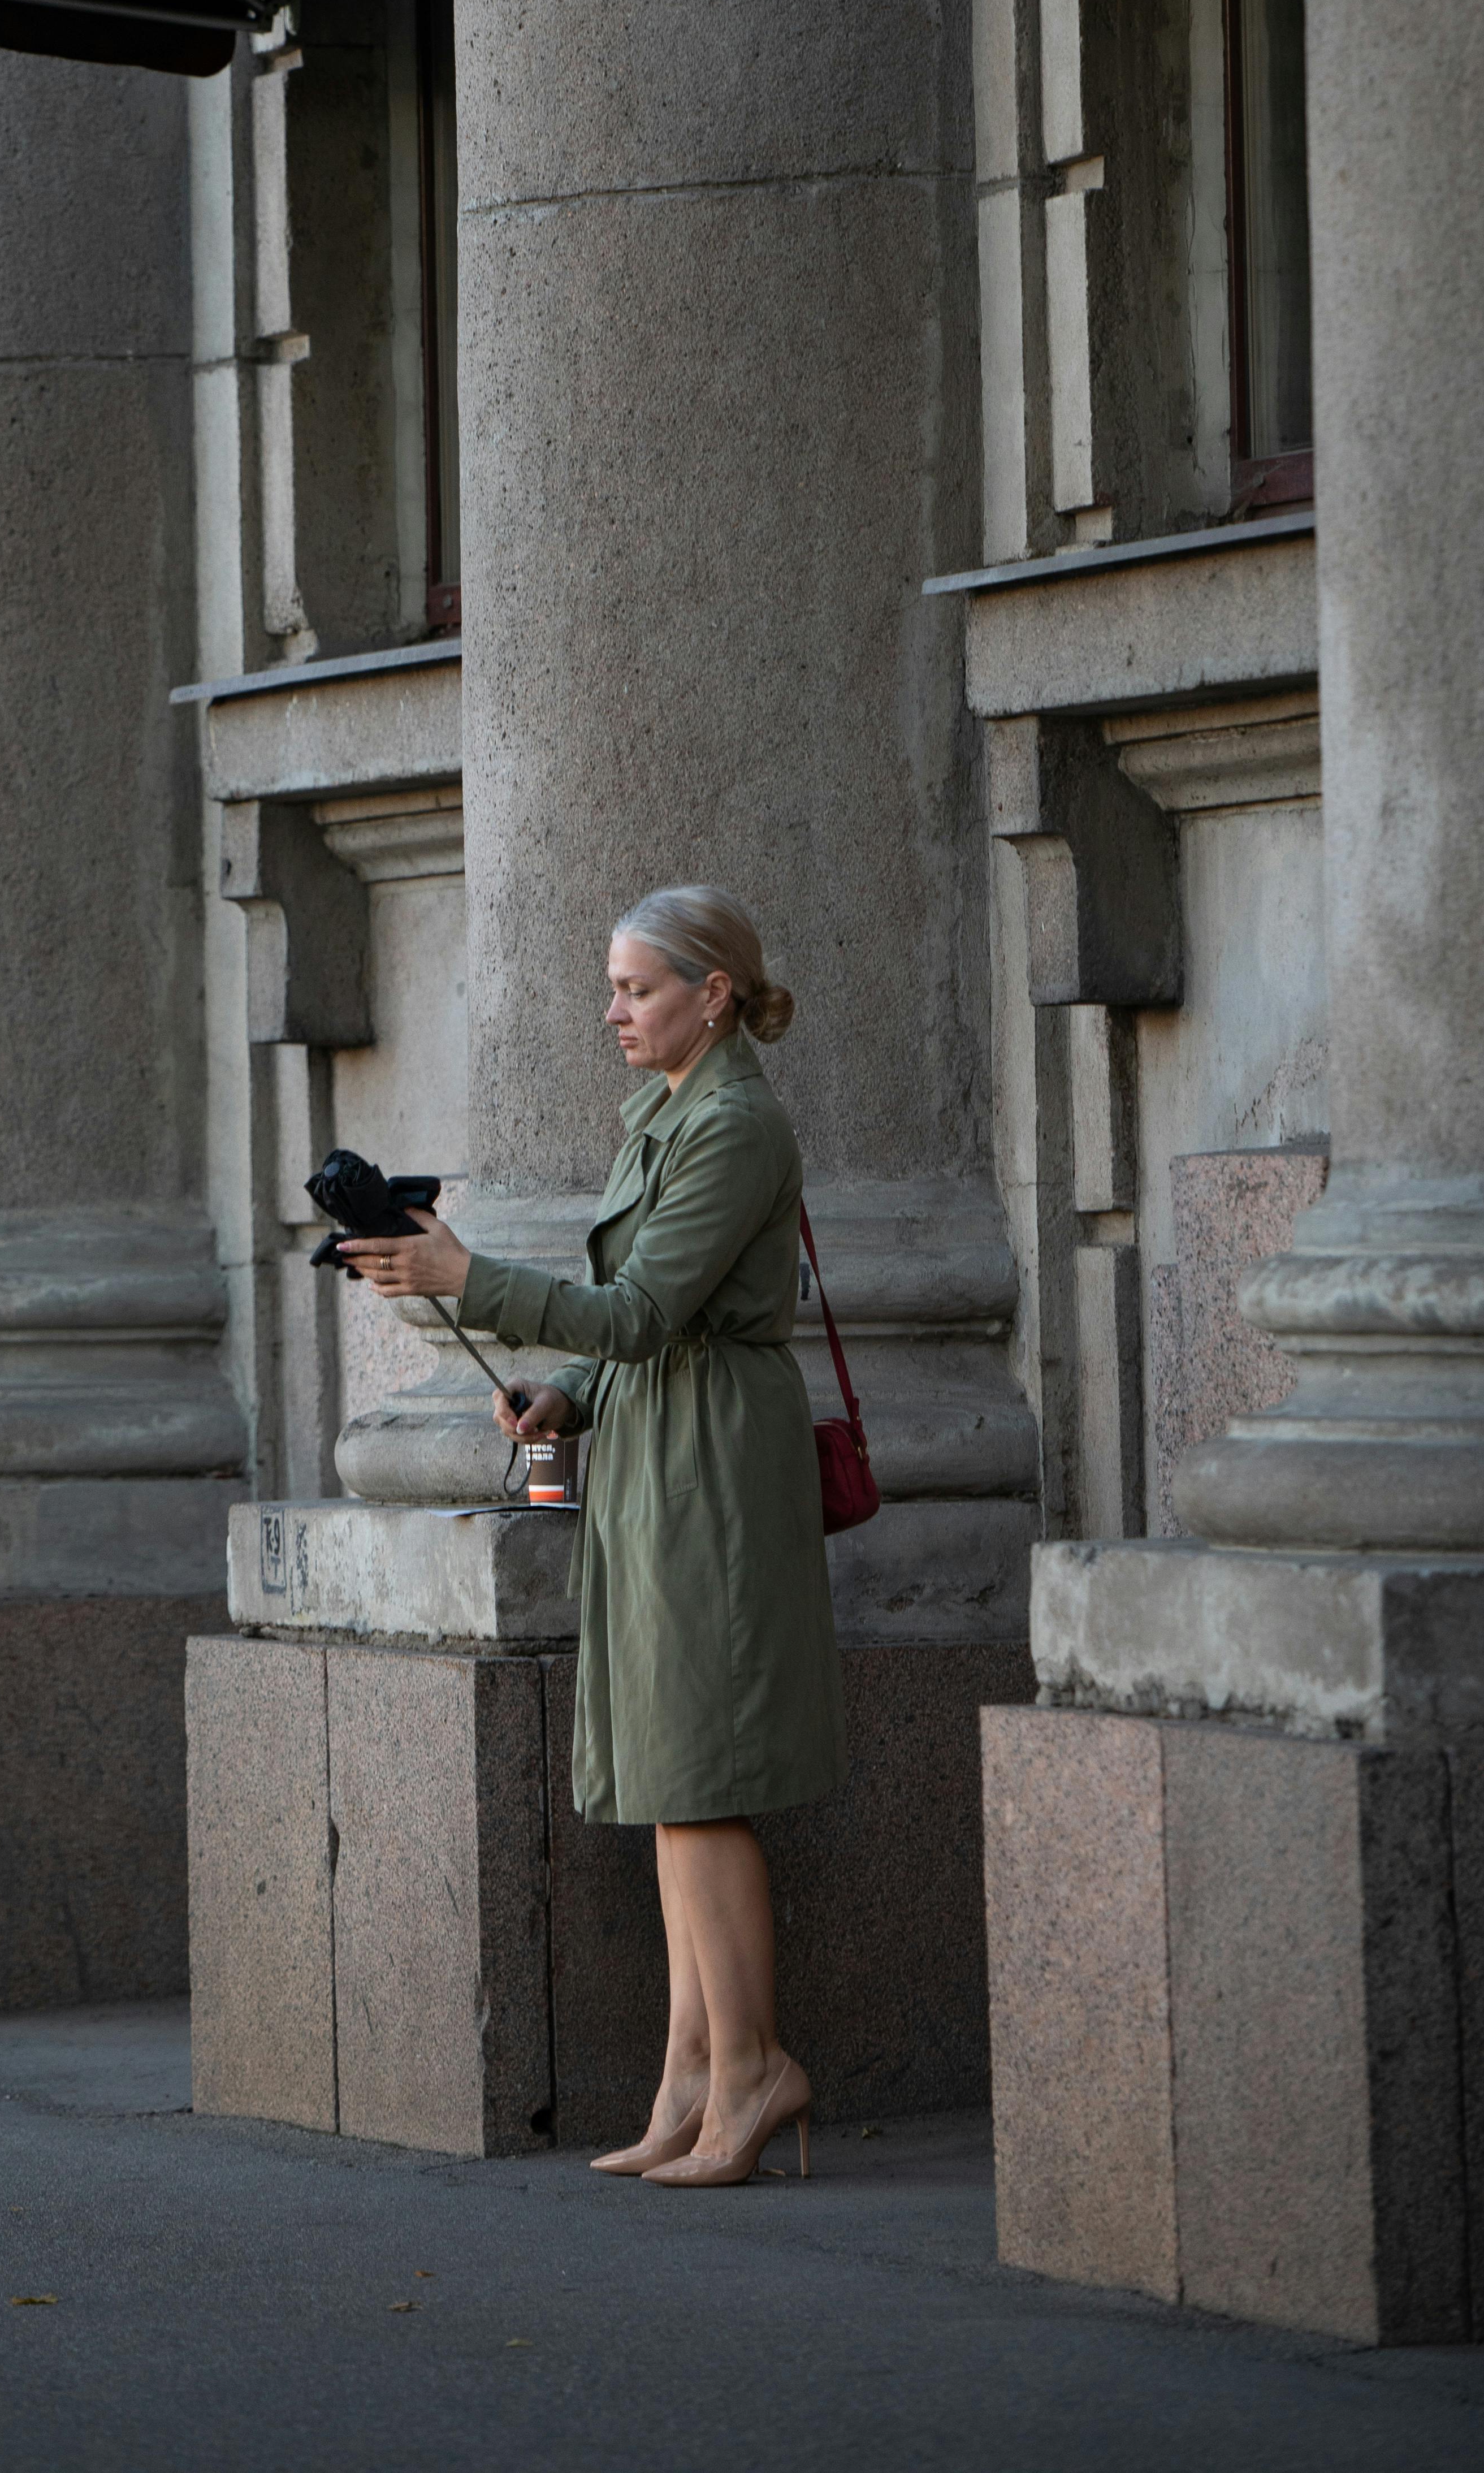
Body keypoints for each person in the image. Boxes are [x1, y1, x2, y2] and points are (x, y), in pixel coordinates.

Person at [335, 883, 843, 2187]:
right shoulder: (672, 1112)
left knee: (698, 1776)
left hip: (712, 1464)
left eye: (635, 988)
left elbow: (648, 1307)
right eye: (612, 987)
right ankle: (690, 2074)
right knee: (671, 1773)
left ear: (711, 993)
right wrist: (568, 1394)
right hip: (654, 1440)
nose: (611, 1011)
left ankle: (750, 2070)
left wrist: (468, 1279)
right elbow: (638, 1334)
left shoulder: (732, 1121)